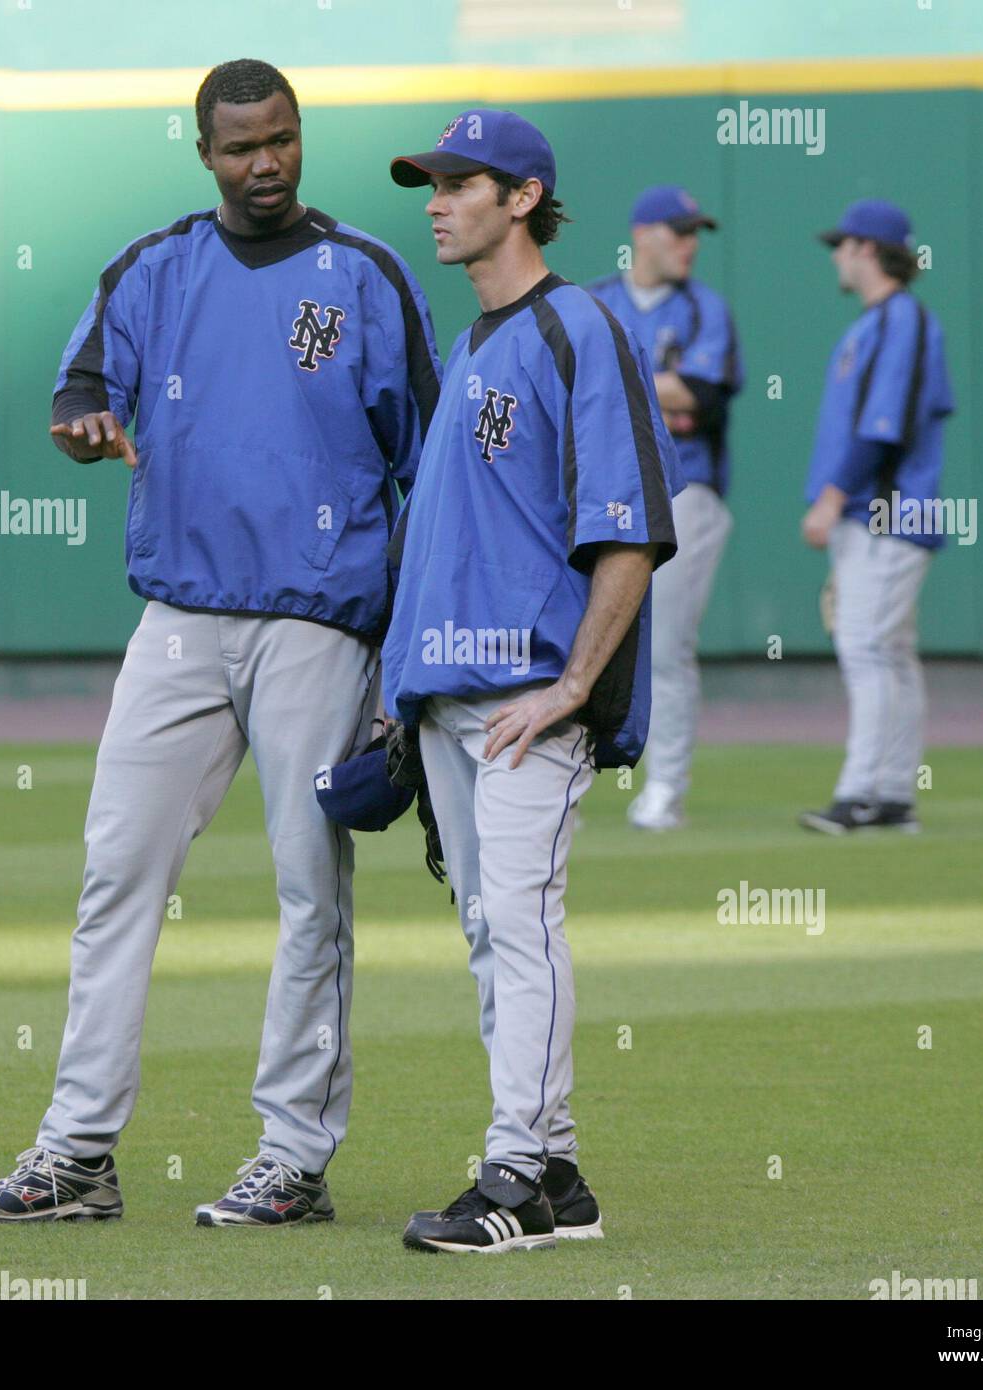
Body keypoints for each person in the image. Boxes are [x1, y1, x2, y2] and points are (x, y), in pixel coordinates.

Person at [0, 58, 441, 1226]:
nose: (263, 164)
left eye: (280, 140)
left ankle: (293, 1157)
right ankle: (76, 1152)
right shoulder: (153, 267)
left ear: (299, 135)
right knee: (116, 875)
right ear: (203, 152)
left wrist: (404, 660)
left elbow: (428, 467)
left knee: (306, 888)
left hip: (317, 624)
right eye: (238, 147)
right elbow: (77, 396)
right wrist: (84, 426)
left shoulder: (365, 273)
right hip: (177, 619)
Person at [383, 109, 678, 1253]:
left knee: (520, 918)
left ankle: (509, 1175)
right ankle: (553, 1176)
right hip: (447, 694)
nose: (435, 200)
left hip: (528, 700)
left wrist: (571, 689)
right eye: (431, 182)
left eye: (459, 181)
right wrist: (395, 689)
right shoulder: (466, 349)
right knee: (486, 929)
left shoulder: (581, 331)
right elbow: (440, 537)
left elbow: (629, 534)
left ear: (521, 197)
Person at [589, 186, 744, 830]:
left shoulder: (705, 308)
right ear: (643, 233)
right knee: (580, 640)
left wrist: (618, 381)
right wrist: (657, 391)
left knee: (667, 646)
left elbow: (702, 397)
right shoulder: (595, 301)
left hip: (687, 490)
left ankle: (665, 791)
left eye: (696, 232)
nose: (691, 244)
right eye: (680, 231)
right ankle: (564, 780)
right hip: (601, 495)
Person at [799, 199, 953, 835]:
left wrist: (833, 496)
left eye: (842, 244)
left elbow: (884, 428)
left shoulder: (901, 321)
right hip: (871, 515)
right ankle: (890, 797)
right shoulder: (875, 324)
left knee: (866, 649)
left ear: (867, 248)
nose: (836, 255)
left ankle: (863, 794)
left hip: (885, 513)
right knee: (888, 653)